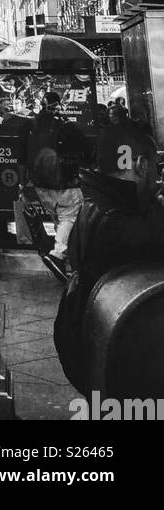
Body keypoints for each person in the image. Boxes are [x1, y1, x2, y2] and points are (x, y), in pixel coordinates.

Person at [54, 120, 164, 393]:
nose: (157, 175)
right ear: (139, 164)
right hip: (124, 364)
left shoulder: (96, 202)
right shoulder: (121, 223)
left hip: (89, 343)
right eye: (155, 166)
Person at [16, 89, 90, 277]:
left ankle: (67, 265)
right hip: (64, 183)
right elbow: (86, 150)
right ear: (58, 106)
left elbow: (21, 158)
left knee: (59, 219)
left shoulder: (29, 125)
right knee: (70, 217)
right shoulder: (66, 126)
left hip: (40, 184)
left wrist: (23, 183)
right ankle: (58, 255)